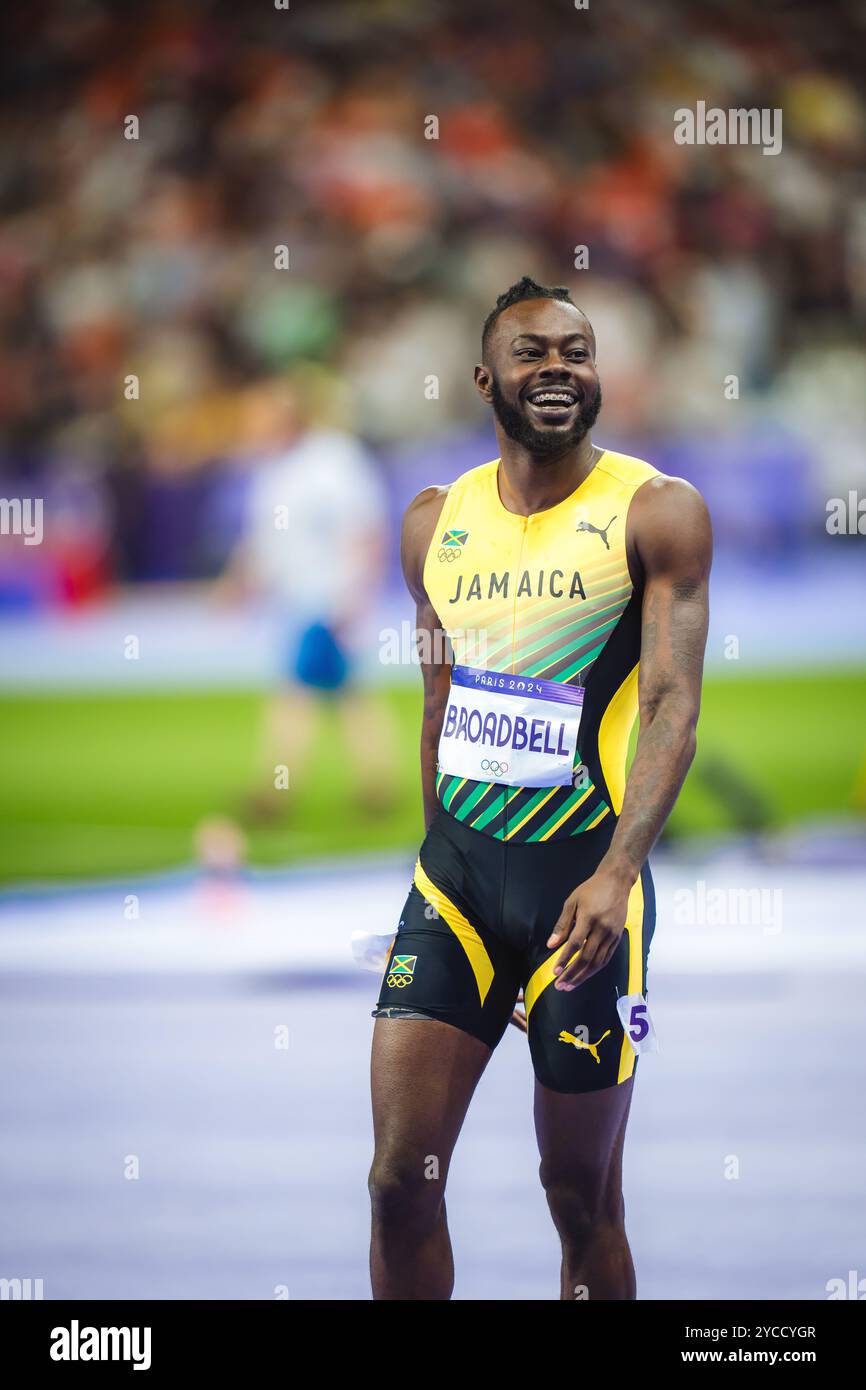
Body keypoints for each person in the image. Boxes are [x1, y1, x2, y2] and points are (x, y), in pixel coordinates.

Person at [368, 276, 712, 1300]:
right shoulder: (433, 523)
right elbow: (437, 702)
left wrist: (615, 877)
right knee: (396, 1180)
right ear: (485, 378)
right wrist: (438, 859)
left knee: (577, 1191)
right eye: (532, 352)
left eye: (576, 349)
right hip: (456, 883)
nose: (558, 367)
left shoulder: (653, 512)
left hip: (584, 894)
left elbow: (668, 708)